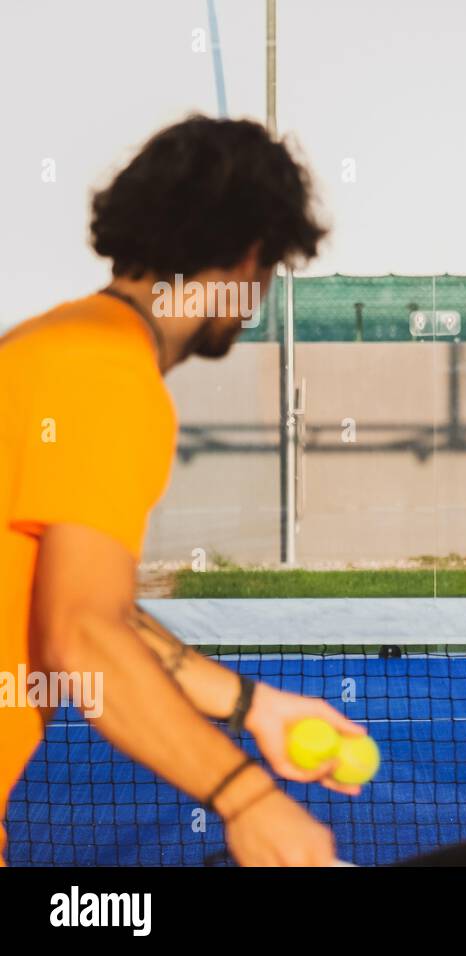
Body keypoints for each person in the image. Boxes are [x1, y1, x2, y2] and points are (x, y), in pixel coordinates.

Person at [0, 116, 359, 866]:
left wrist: (252, 707)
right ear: (250, 255)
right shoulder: (105, 373)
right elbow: (83, 636)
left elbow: (93, 608)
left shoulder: (54, 345)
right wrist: (247, 800)